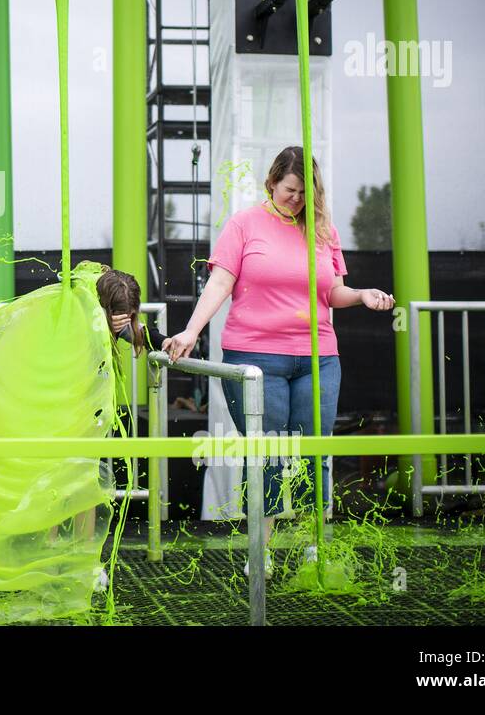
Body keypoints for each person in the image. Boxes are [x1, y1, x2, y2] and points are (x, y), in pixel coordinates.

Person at [164, 147, 395, 576]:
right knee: (268, 453)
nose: (297, 199)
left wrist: (361, 295)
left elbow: (332, 292)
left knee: (314, 454)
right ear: (272, 182)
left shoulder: (323, 230)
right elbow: (219, 282)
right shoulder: (244, 224)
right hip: (254, 357)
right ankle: (261, 549)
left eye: (305, 193)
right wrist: (191, 331)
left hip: (319, 357)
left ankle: (314, 545)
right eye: (290, 189)